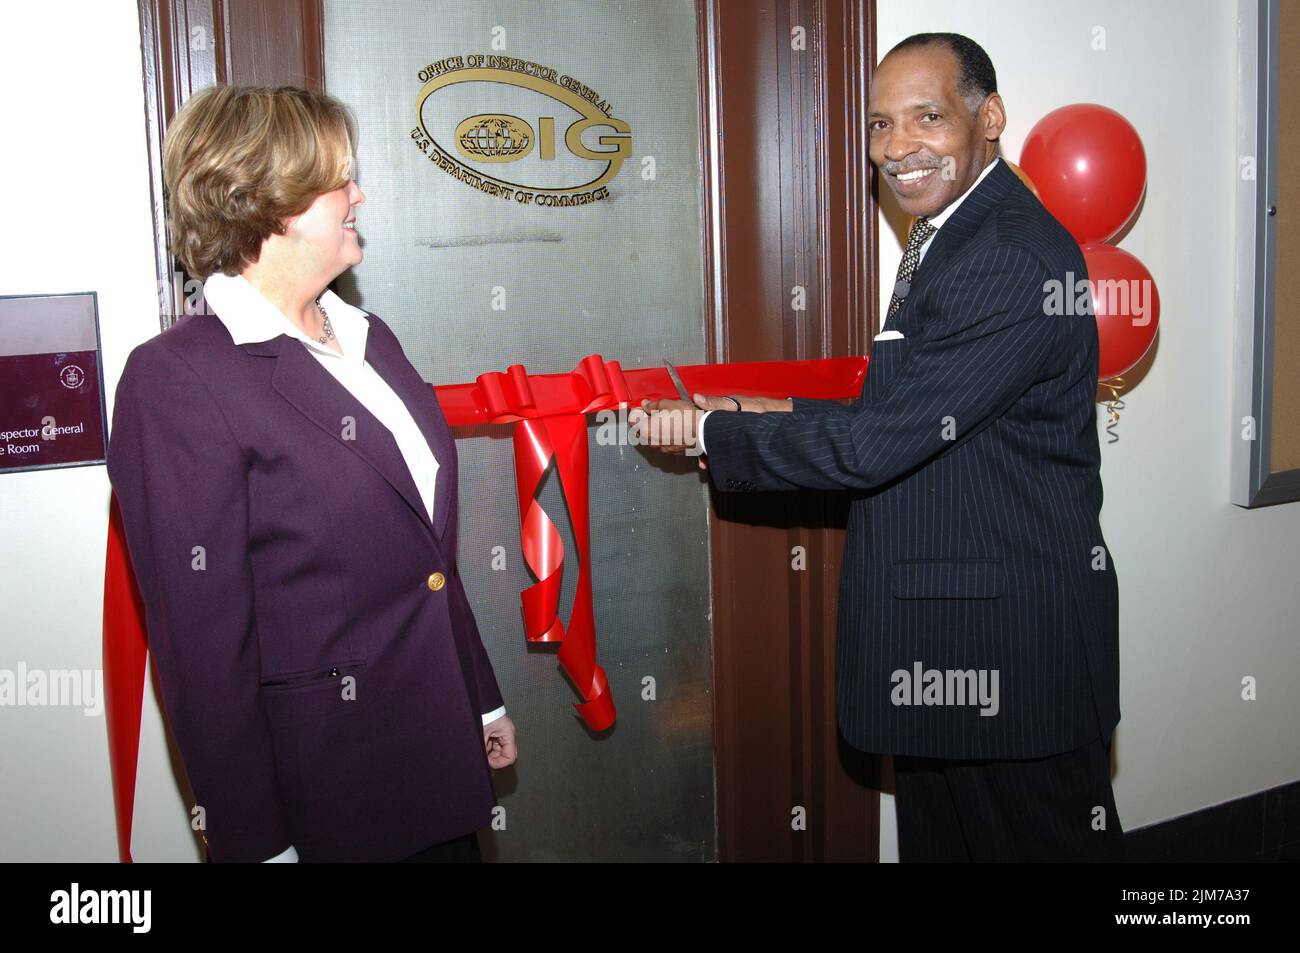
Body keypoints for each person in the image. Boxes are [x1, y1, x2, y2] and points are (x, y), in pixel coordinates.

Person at [637, 33, 1123, 861]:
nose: (898, 147)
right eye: (879, 125)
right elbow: (910, 403)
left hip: (1009, 656)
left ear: (990, 117)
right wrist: (763, 405)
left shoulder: (1004, 254)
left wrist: (718, 432)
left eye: (927, 117)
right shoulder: (952, 234)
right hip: (953, 647)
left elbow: (877, 444)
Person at [107, 84, 516, 862]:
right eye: (340, 180)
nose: (359, 194)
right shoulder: (178, 381)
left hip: (436, 760)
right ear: (270, 201)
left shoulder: (369, 337)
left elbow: (427, 555)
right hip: (328, 804)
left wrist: (480, 697)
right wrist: (258, 844)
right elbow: (202, 654)